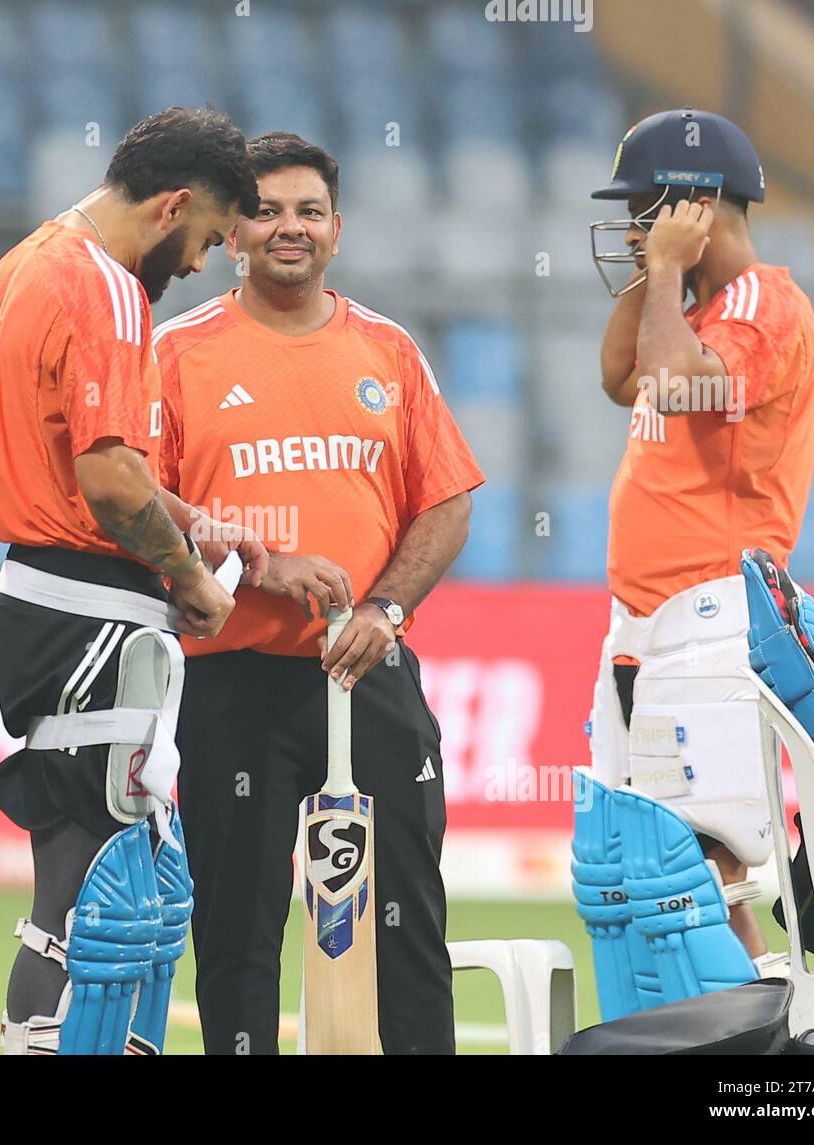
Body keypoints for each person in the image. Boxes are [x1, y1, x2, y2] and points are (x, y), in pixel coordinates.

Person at [155, 132, 485, 1054]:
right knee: (236, 934)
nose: (287, 227)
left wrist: (386, 608)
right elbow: (140, 508)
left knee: (406, 924)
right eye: (265, 210)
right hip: (235, 684)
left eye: (308, 211)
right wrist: (256, 565)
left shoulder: (387, 348)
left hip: (368, 675)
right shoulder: (179, 355)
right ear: (231, 234)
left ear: (337, 230)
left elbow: (448, 504)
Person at [0, 106, 264, 1055]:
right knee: (94, 889)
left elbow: (93, 465)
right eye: (209, 238)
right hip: (91, 613)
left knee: (103, 876)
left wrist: (191, 522)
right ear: (173, 203)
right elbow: (102, 480)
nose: (198, 262)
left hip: (45, 601)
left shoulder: (30, 261)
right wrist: (189, 573)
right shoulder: (105, 289)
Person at [578, 108, 814, 1016]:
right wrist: (664, 278)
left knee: (703, 848)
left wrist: (671, 268)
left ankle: (761, 1041)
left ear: (697, 203)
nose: (634, 229)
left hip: (715, 608)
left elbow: (679, 381)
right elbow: (619, 377)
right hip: (647, 615)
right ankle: (708, 1022)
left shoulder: (764, 300)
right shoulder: (696, 308)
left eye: (646, 209)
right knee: (639, 853)